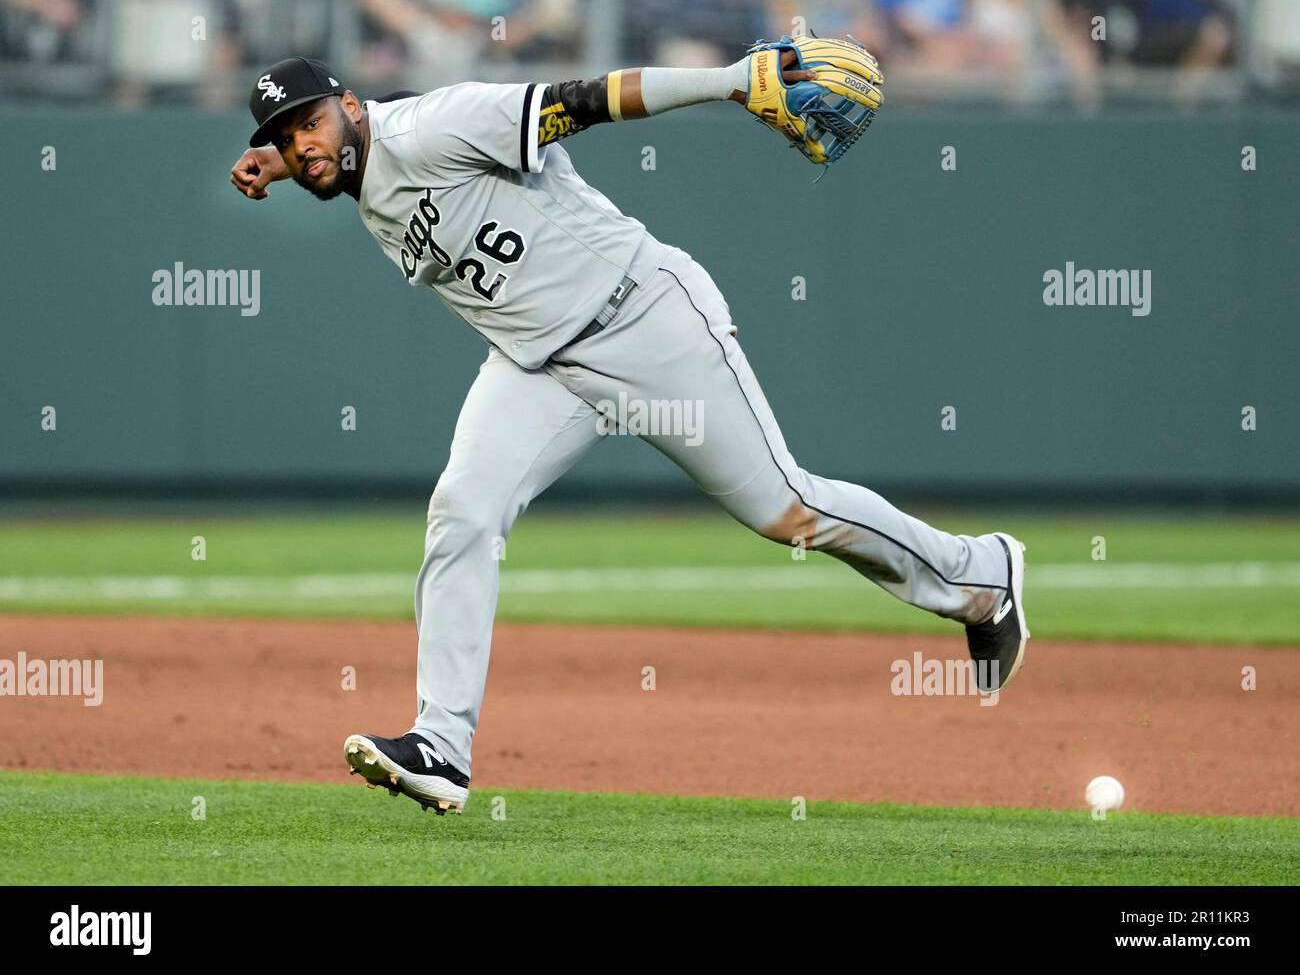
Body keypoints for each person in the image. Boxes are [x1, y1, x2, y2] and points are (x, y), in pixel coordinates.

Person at [229, 51, 1030, 816]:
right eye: (285, 136)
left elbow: (589, 99)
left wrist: (727, 81)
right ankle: (440, 745)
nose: (303, 144)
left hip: (643, 318)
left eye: (310, 122)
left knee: (787, 511)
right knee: (463, 512)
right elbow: (329, 162)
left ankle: (982, 577)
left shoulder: (438, 125)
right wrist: (281, 163)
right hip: (538, 366)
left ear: (352, 105)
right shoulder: (347, 169)